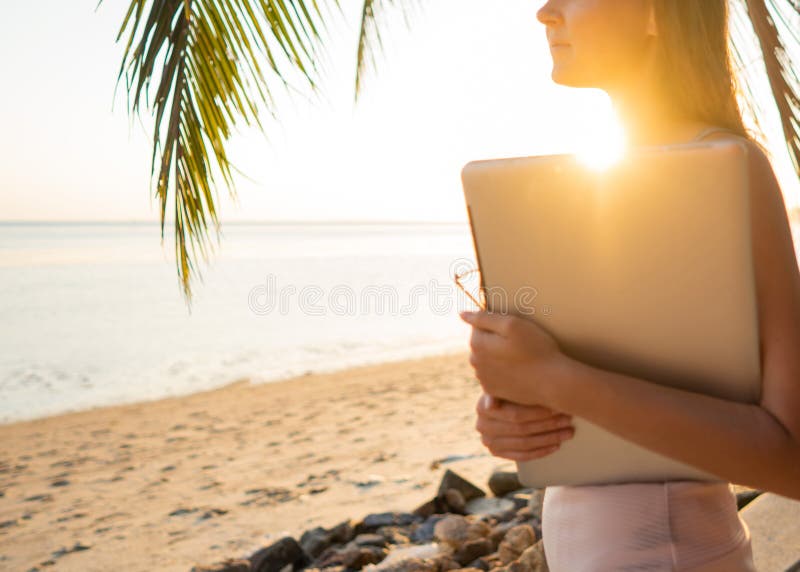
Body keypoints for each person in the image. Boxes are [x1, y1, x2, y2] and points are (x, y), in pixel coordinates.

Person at [459, 1, 800, 570]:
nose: (546, 12)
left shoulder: (729, 168)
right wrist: (514, 414)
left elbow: (790, 458)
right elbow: (623, 380)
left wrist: (553, 377)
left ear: (655, 14)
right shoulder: (605, 181)